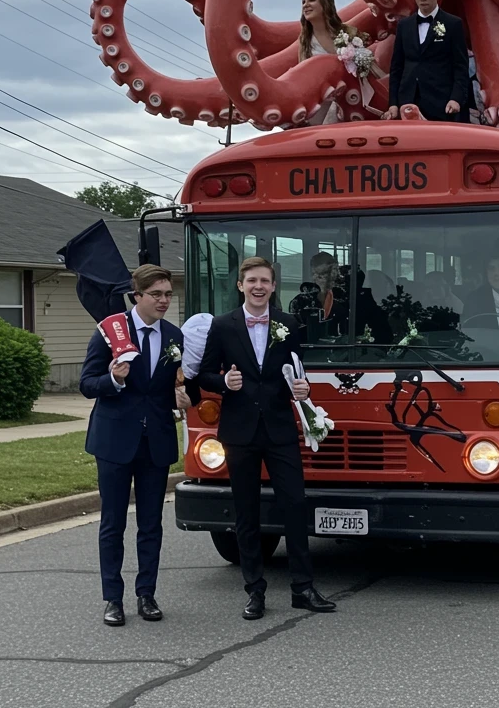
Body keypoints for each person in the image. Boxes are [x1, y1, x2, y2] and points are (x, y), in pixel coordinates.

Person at [196, 256, 336, 619]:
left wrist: (302, 390)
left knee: (295, 504)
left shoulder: (289, 324)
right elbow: (204, 374)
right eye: (252, 280)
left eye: (265, 281)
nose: (259, 286)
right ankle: (254, 591)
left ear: (274, 287)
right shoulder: (223, 326)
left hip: (279, 430)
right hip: (240, 432)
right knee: (246, 512)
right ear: (241, 285)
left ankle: (302, 588)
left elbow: (295, 373)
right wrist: (223, 383)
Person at [79, 264, 194, 627]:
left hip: (155, 440)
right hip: (114, 440)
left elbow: (176, 385)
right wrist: (112, 378)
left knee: (151, 524)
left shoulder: (174, 336)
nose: (164, 301)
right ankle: (113, 598)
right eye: (156, 294)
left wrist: (183, 395)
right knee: (112, 524)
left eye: (168, 294)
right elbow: (87, 383)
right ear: (137, 296)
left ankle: (147, 593)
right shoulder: (110, 331)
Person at [384, 0, 469, 122]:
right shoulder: (404, 25)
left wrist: (456, 98)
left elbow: (461, 66)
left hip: (442, 104)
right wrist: (393, 103)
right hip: (407, 102)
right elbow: (397, 67)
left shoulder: (453, 24)